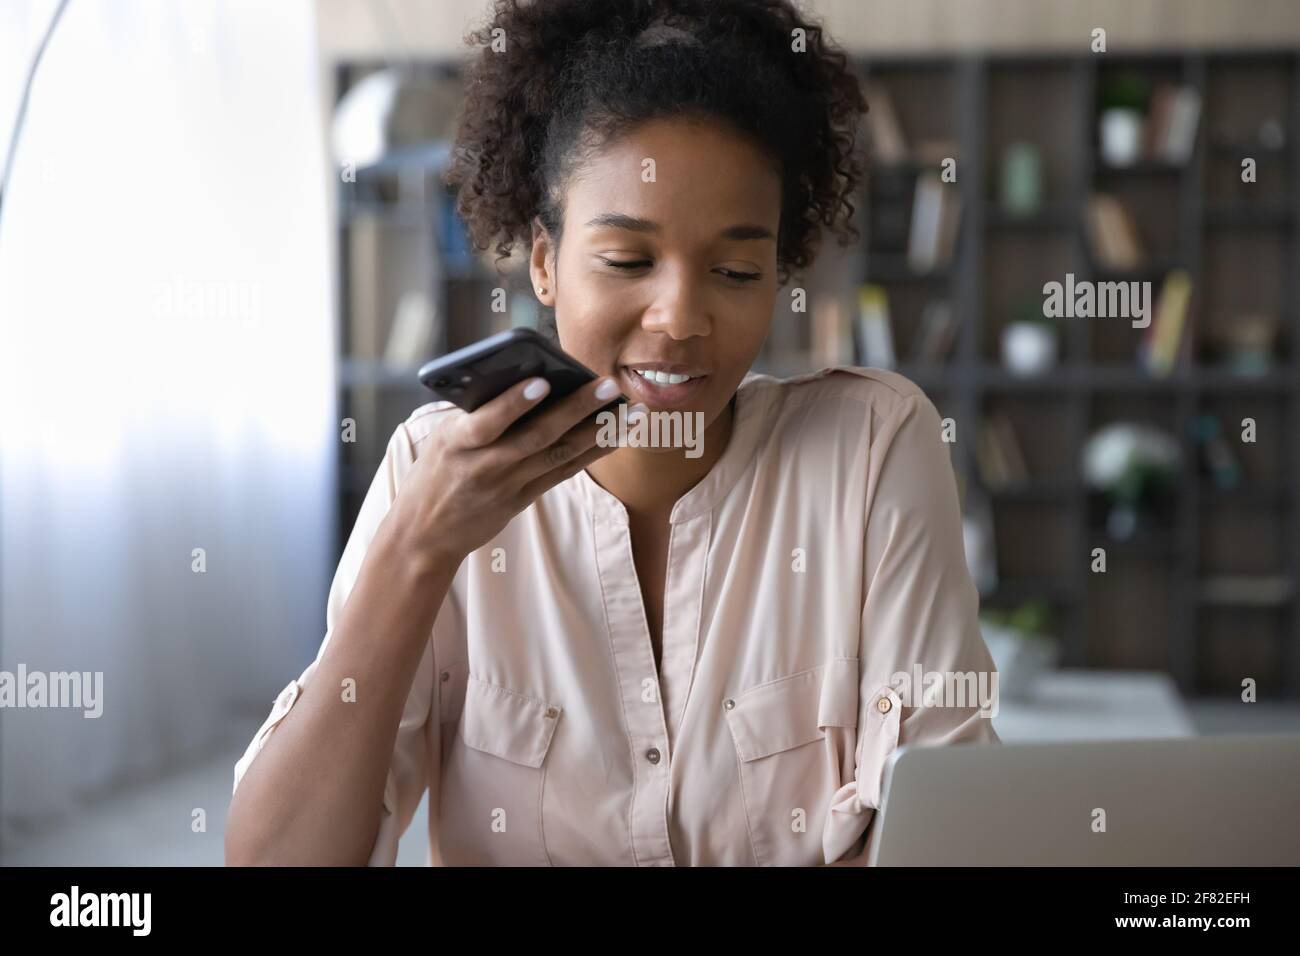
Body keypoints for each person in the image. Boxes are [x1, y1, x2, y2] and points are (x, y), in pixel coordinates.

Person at [225, 0, 1000, 867]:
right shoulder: (431, 469)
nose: (680, 317)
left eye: (737, 269)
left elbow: (943, 832)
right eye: (628, 261)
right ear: (545, 263)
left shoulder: (872, 448)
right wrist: (417, 551)